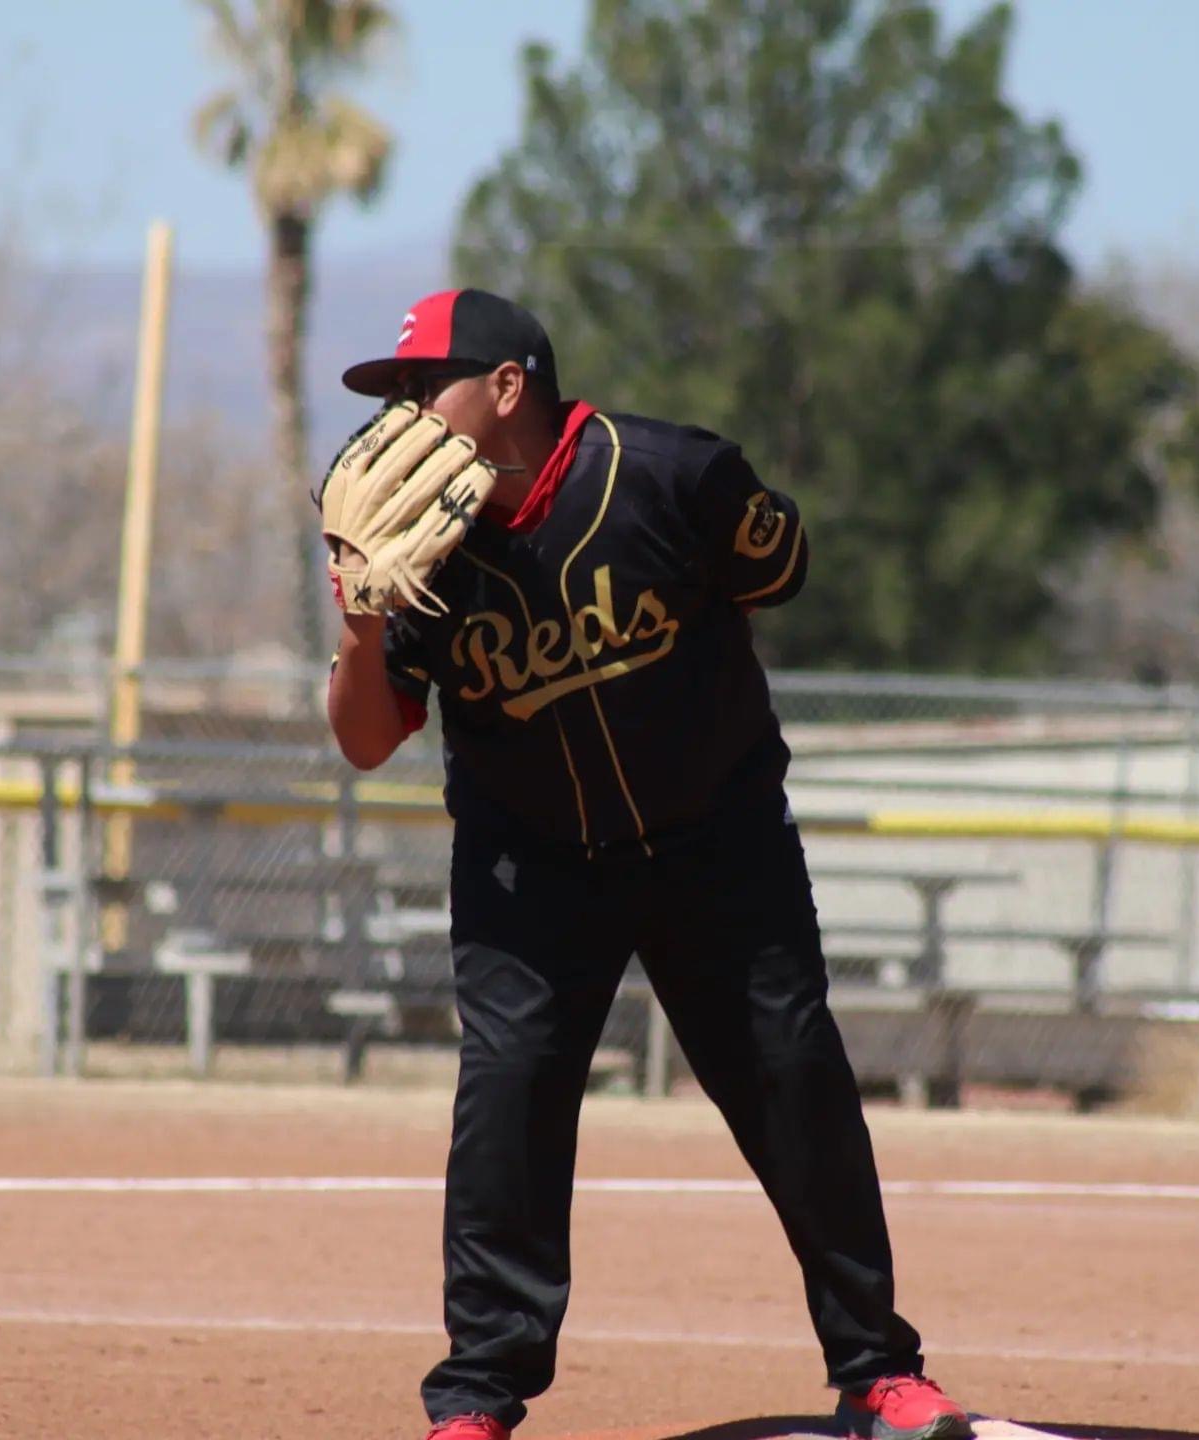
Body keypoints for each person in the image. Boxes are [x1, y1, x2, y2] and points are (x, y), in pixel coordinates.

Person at [326, 288, 972, 1440]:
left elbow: (781, 566)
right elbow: (370, 739)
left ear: (509, 387)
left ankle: (879, 1366)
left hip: (713, 838)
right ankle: (477, 1398)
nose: (407, 418)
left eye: (428, 388)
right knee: (509, 1097)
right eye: (399, 399)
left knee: (792, 1075)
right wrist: (362, 624)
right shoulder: (419, 546)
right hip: (533, 866)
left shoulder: (669, 474)